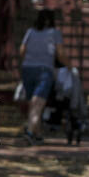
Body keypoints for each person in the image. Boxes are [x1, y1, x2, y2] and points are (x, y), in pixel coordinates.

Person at [18, 8, 67, 143]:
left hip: (27, 69)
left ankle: (38, 134)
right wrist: (70, 66)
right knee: (37, 104)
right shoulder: (55, 33)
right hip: (44, 70)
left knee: (32, 103)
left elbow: (22, 50)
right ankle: (29, 132)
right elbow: (61, 54)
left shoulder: (30, 32)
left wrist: (29, 59)